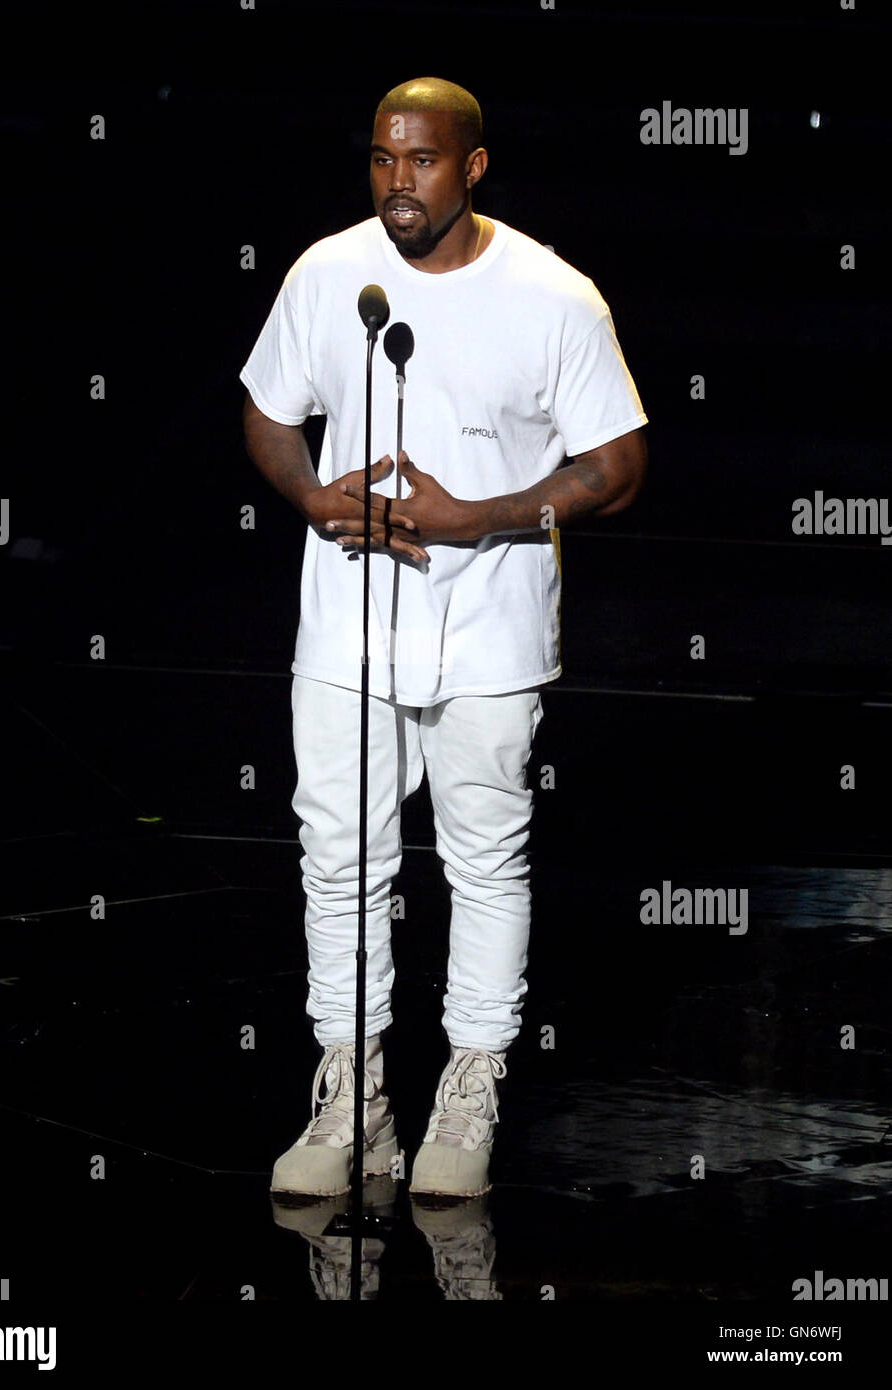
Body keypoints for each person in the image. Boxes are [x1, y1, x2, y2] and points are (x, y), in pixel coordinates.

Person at [240, 76, 648, 1201]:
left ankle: (469, 1085)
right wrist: (315, 500)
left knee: (484, 861)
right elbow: (270, 413)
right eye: (380, 158)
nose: (396, 183)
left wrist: (483, 513)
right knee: (340, 858)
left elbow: (616, 467)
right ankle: (352, 1091)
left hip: (489, 630)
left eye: (420, 161)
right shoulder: (328, 274)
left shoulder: (554, 295)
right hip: (347, 627)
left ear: (471, 166)